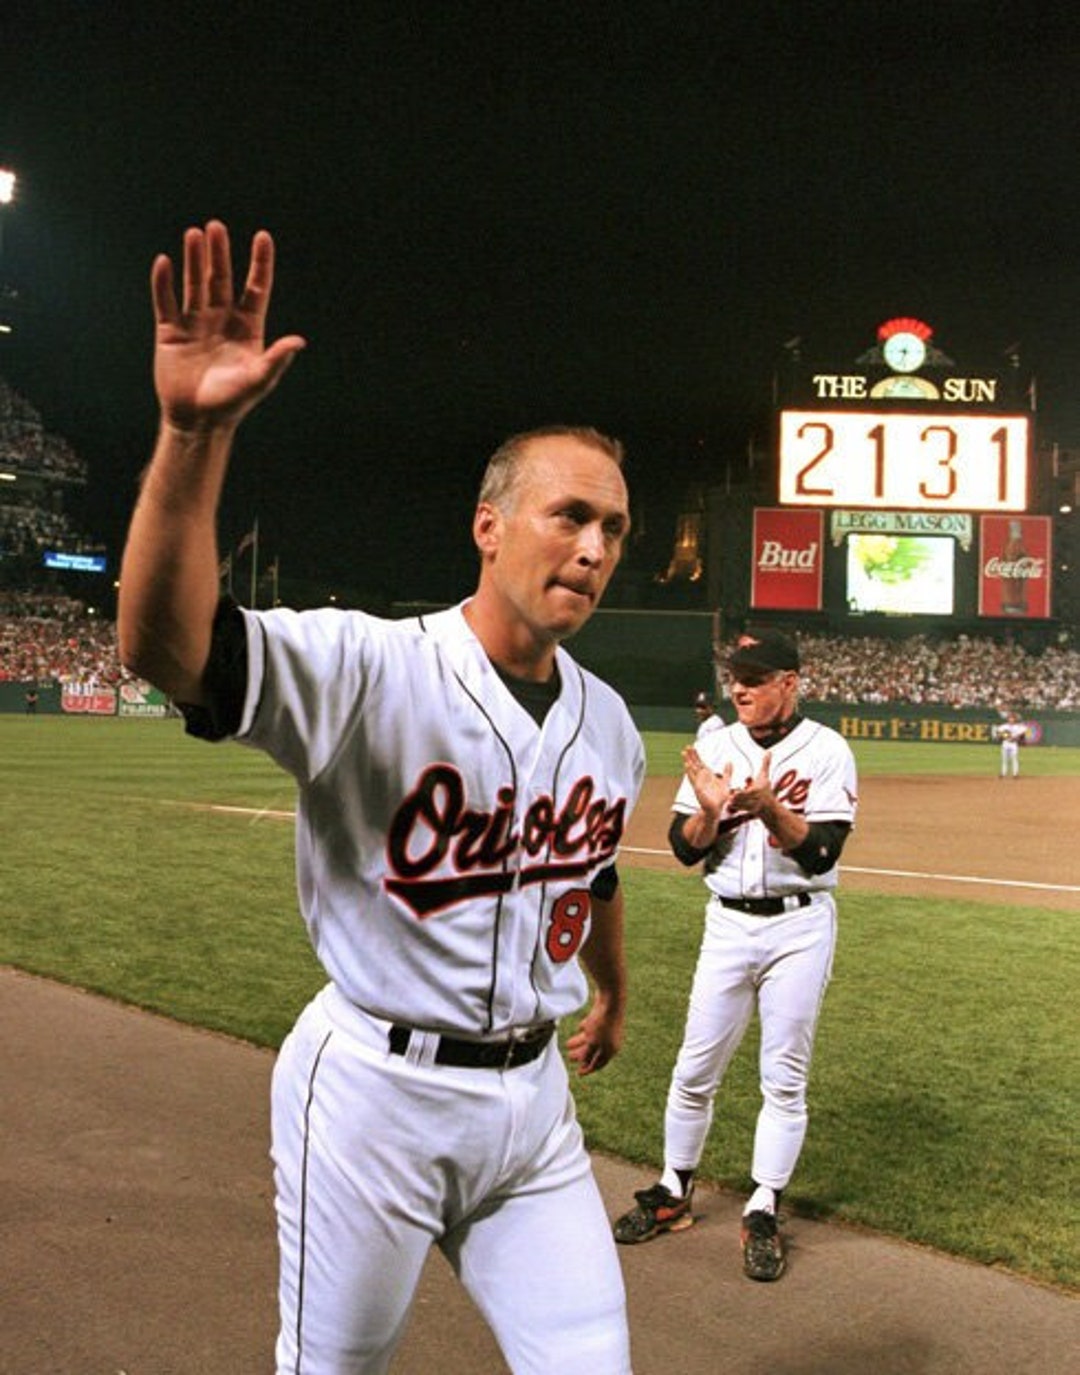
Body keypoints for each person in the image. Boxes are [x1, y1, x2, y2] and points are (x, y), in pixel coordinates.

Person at [117, 221, 645, 1374]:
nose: (598, 546)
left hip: (535, 1110)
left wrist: (609, 994)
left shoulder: (610, 723)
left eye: (614, 526)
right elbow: (167, 648)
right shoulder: (369, 667)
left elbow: (590, 873)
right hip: (375, 1096)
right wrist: (191, 438)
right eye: (572, 515)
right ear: (489, 525)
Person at [612, 627, 857, 1282]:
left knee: (783, 1073)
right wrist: (711, 812)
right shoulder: (716, 744)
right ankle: (673, 1189)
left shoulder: (828, 749)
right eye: (734, 675)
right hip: (726, 923)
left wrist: (772, 808)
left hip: (798, 928)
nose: (739, 686)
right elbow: (685, 848)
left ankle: (762, 1206)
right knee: (694, 1064)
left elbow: (823, 851)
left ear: (789, 682)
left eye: (754, 676)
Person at [993, 711, 1025, 778]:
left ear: (1015, 719)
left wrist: (1015, 738)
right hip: (1005, 743)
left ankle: (1015, 774)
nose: (1011, 719)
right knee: (1004, 759)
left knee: (1014, 758)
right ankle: (1003, 773)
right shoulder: (1003, 726)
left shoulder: (1018, 726)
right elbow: (998, 733)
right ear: (1008, 719)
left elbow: (1022, 735)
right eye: (1010, 718)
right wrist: (1002, 736)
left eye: (1012, 718)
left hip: (1013, 744)